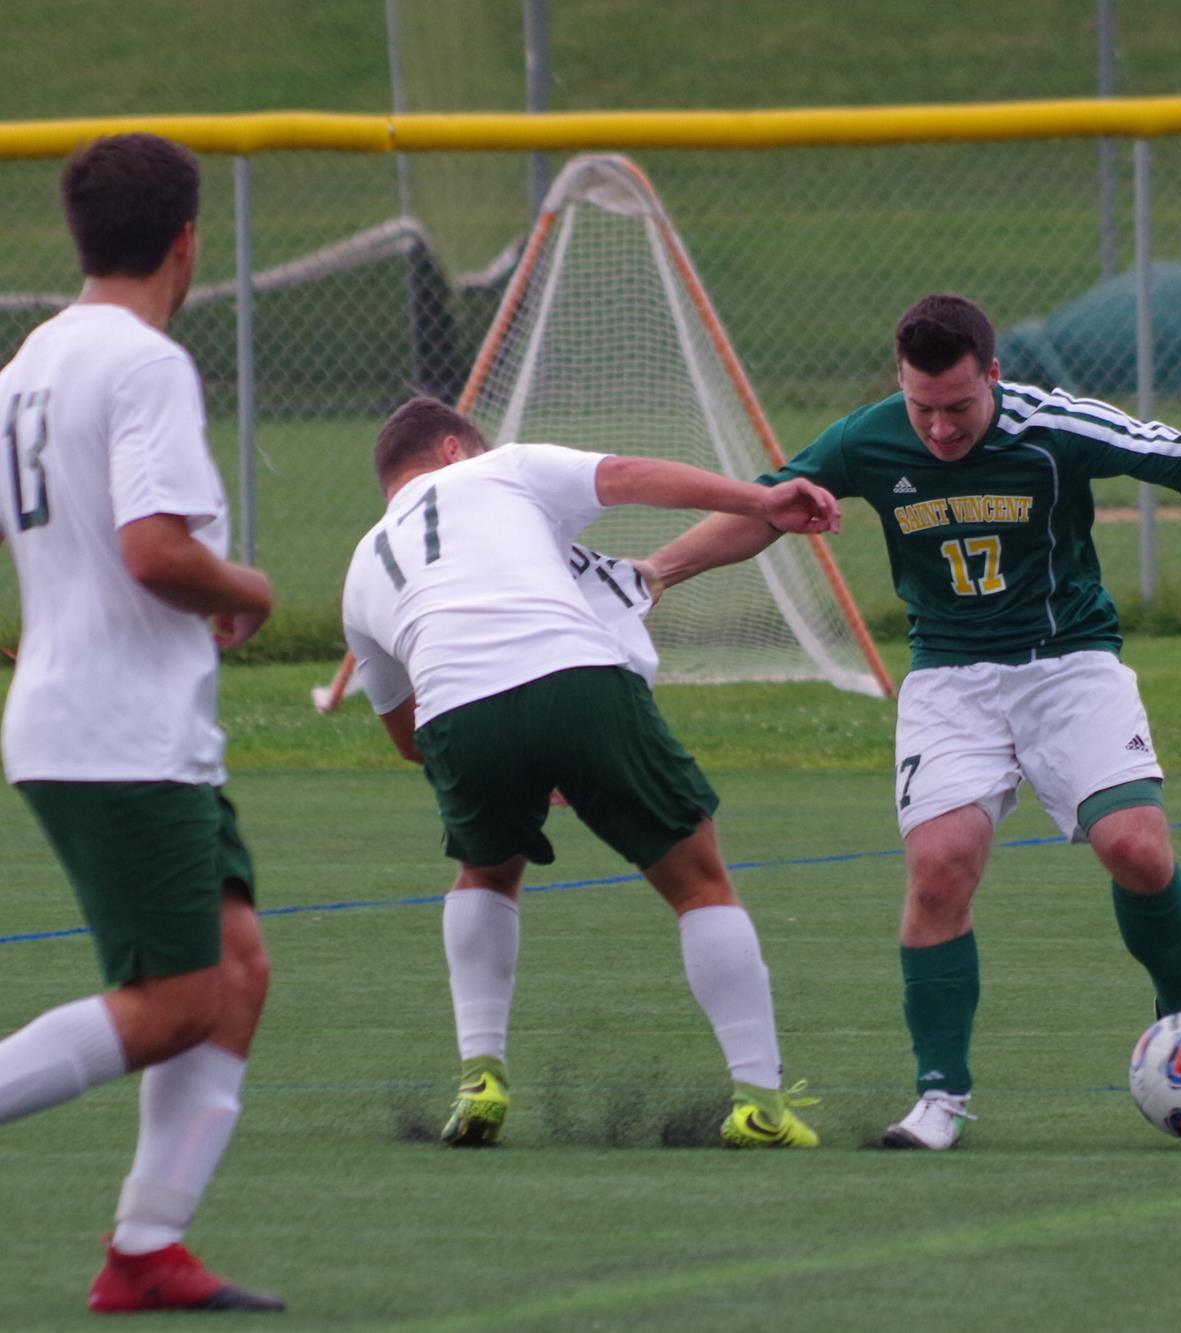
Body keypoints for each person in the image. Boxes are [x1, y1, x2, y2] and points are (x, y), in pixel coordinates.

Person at [641, 293, 1181, 1149]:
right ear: (900, 384)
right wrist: (658, 570)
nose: (941, 427)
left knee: (1136, 849)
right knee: (938, 870)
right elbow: (765, 509)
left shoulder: (1051, 425)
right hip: (951, 680)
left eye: (959, 405)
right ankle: (939, 1097)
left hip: (1070, 665)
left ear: (993, 375)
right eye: (923, 406)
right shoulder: (869, 437)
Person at [340, 397, 841, 1150]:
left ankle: (480, 1076)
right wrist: (760, 495)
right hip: (572, 674)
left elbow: (408, 737)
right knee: (699, 879)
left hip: (454, 715)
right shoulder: (499, 468)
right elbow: (631, 475)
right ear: (453, 449)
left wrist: (516, 754)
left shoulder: (361, 566)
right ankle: (759, 1101)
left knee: (485, 869)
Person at [0, 133, 284, 1313]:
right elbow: (156, 551)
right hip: (118, 732)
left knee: (236, 970)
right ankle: (144, 1248)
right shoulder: (144, 361)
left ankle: (147, 1249)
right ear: (186, 240)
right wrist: (249, 591)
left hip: (107, 718)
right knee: (177, 1002)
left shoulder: (30, 360)